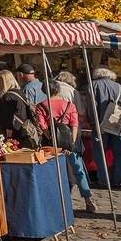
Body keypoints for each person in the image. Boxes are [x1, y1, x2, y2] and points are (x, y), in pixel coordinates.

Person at [36, 76, 95, 213]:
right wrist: (71, 144)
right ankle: (88, 201)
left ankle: (58, 202)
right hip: (71, 140)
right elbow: (75, 125)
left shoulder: (41, 106)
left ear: (45, 91)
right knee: (78, 171)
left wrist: (53, 139)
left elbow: (42, 126)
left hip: (51, 143)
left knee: (54, 172)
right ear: (58, 90)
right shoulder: (69, 105)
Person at [90, 66, 121, 190]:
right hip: (116, 123)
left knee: (100, 153)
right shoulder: (120, 87)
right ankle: (117, 180)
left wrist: (94, 123)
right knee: (118, 153)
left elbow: (92, 107)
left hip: (100, 123)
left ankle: (104, 180)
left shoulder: (93, 85)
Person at [0, 69, 41, 147]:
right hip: (25, 132)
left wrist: (9, 137)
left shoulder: (7, 96)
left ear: (5, 81)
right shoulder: (20, 92)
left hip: (15, 136)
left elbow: (8, 118)